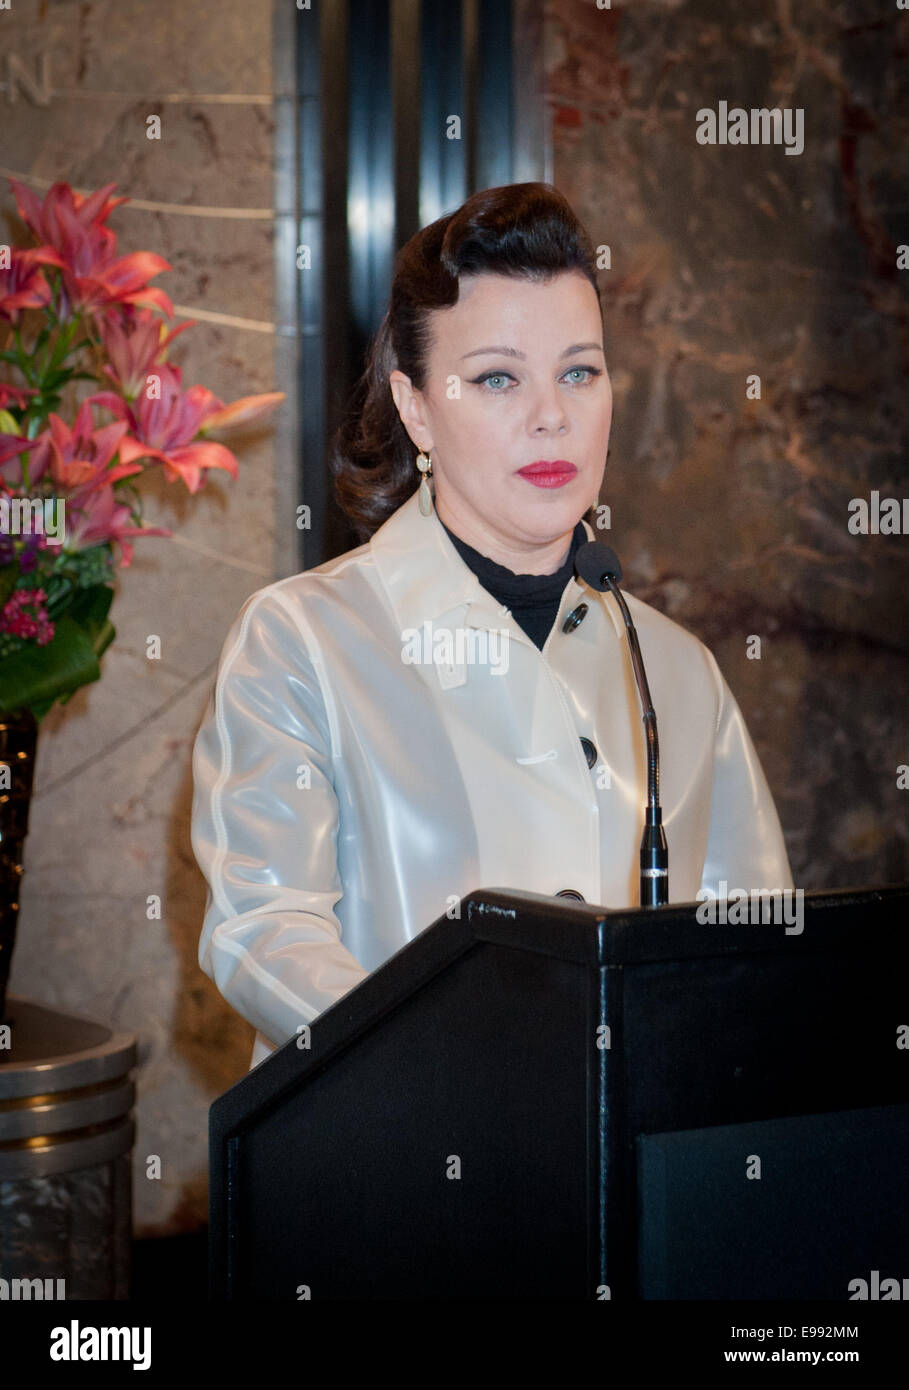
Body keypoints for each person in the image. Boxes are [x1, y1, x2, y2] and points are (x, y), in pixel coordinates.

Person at [191, 183, 793, 1073]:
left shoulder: (675, 669)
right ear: (416, 407)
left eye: (578, 371)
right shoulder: (303, 641)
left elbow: (753, 947)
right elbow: (261, 933)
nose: (550, 414)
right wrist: (462, 1073)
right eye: (497, 378)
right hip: (397, 1162)